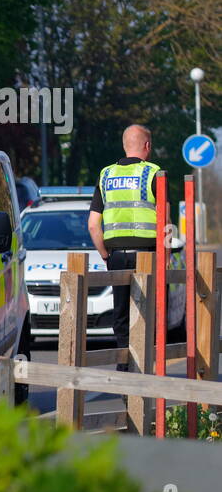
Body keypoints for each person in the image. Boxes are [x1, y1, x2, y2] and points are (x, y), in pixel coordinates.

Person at [88, 124, 161, 364]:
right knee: (147, 314)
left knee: (121, 315)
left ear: (124, 145)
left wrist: (106, 255)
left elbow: (92, 224)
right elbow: (166, 221)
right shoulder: (154, 173)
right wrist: (166, 255)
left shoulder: (106, 175)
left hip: (116, 255)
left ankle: (124, 367)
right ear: (147, 146)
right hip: (148, 254)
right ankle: (143, 367)